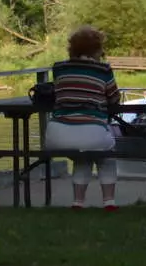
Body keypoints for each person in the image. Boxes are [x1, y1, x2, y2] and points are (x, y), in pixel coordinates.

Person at [44, 25, 121, 210]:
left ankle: (78, 202)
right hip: (92, 131)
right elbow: (114, 98)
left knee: (82, 157)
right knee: (106, 156)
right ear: (96, 49)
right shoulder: (103, 70)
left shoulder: (59, 68)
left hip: (57, 133)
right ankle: (109, 202)